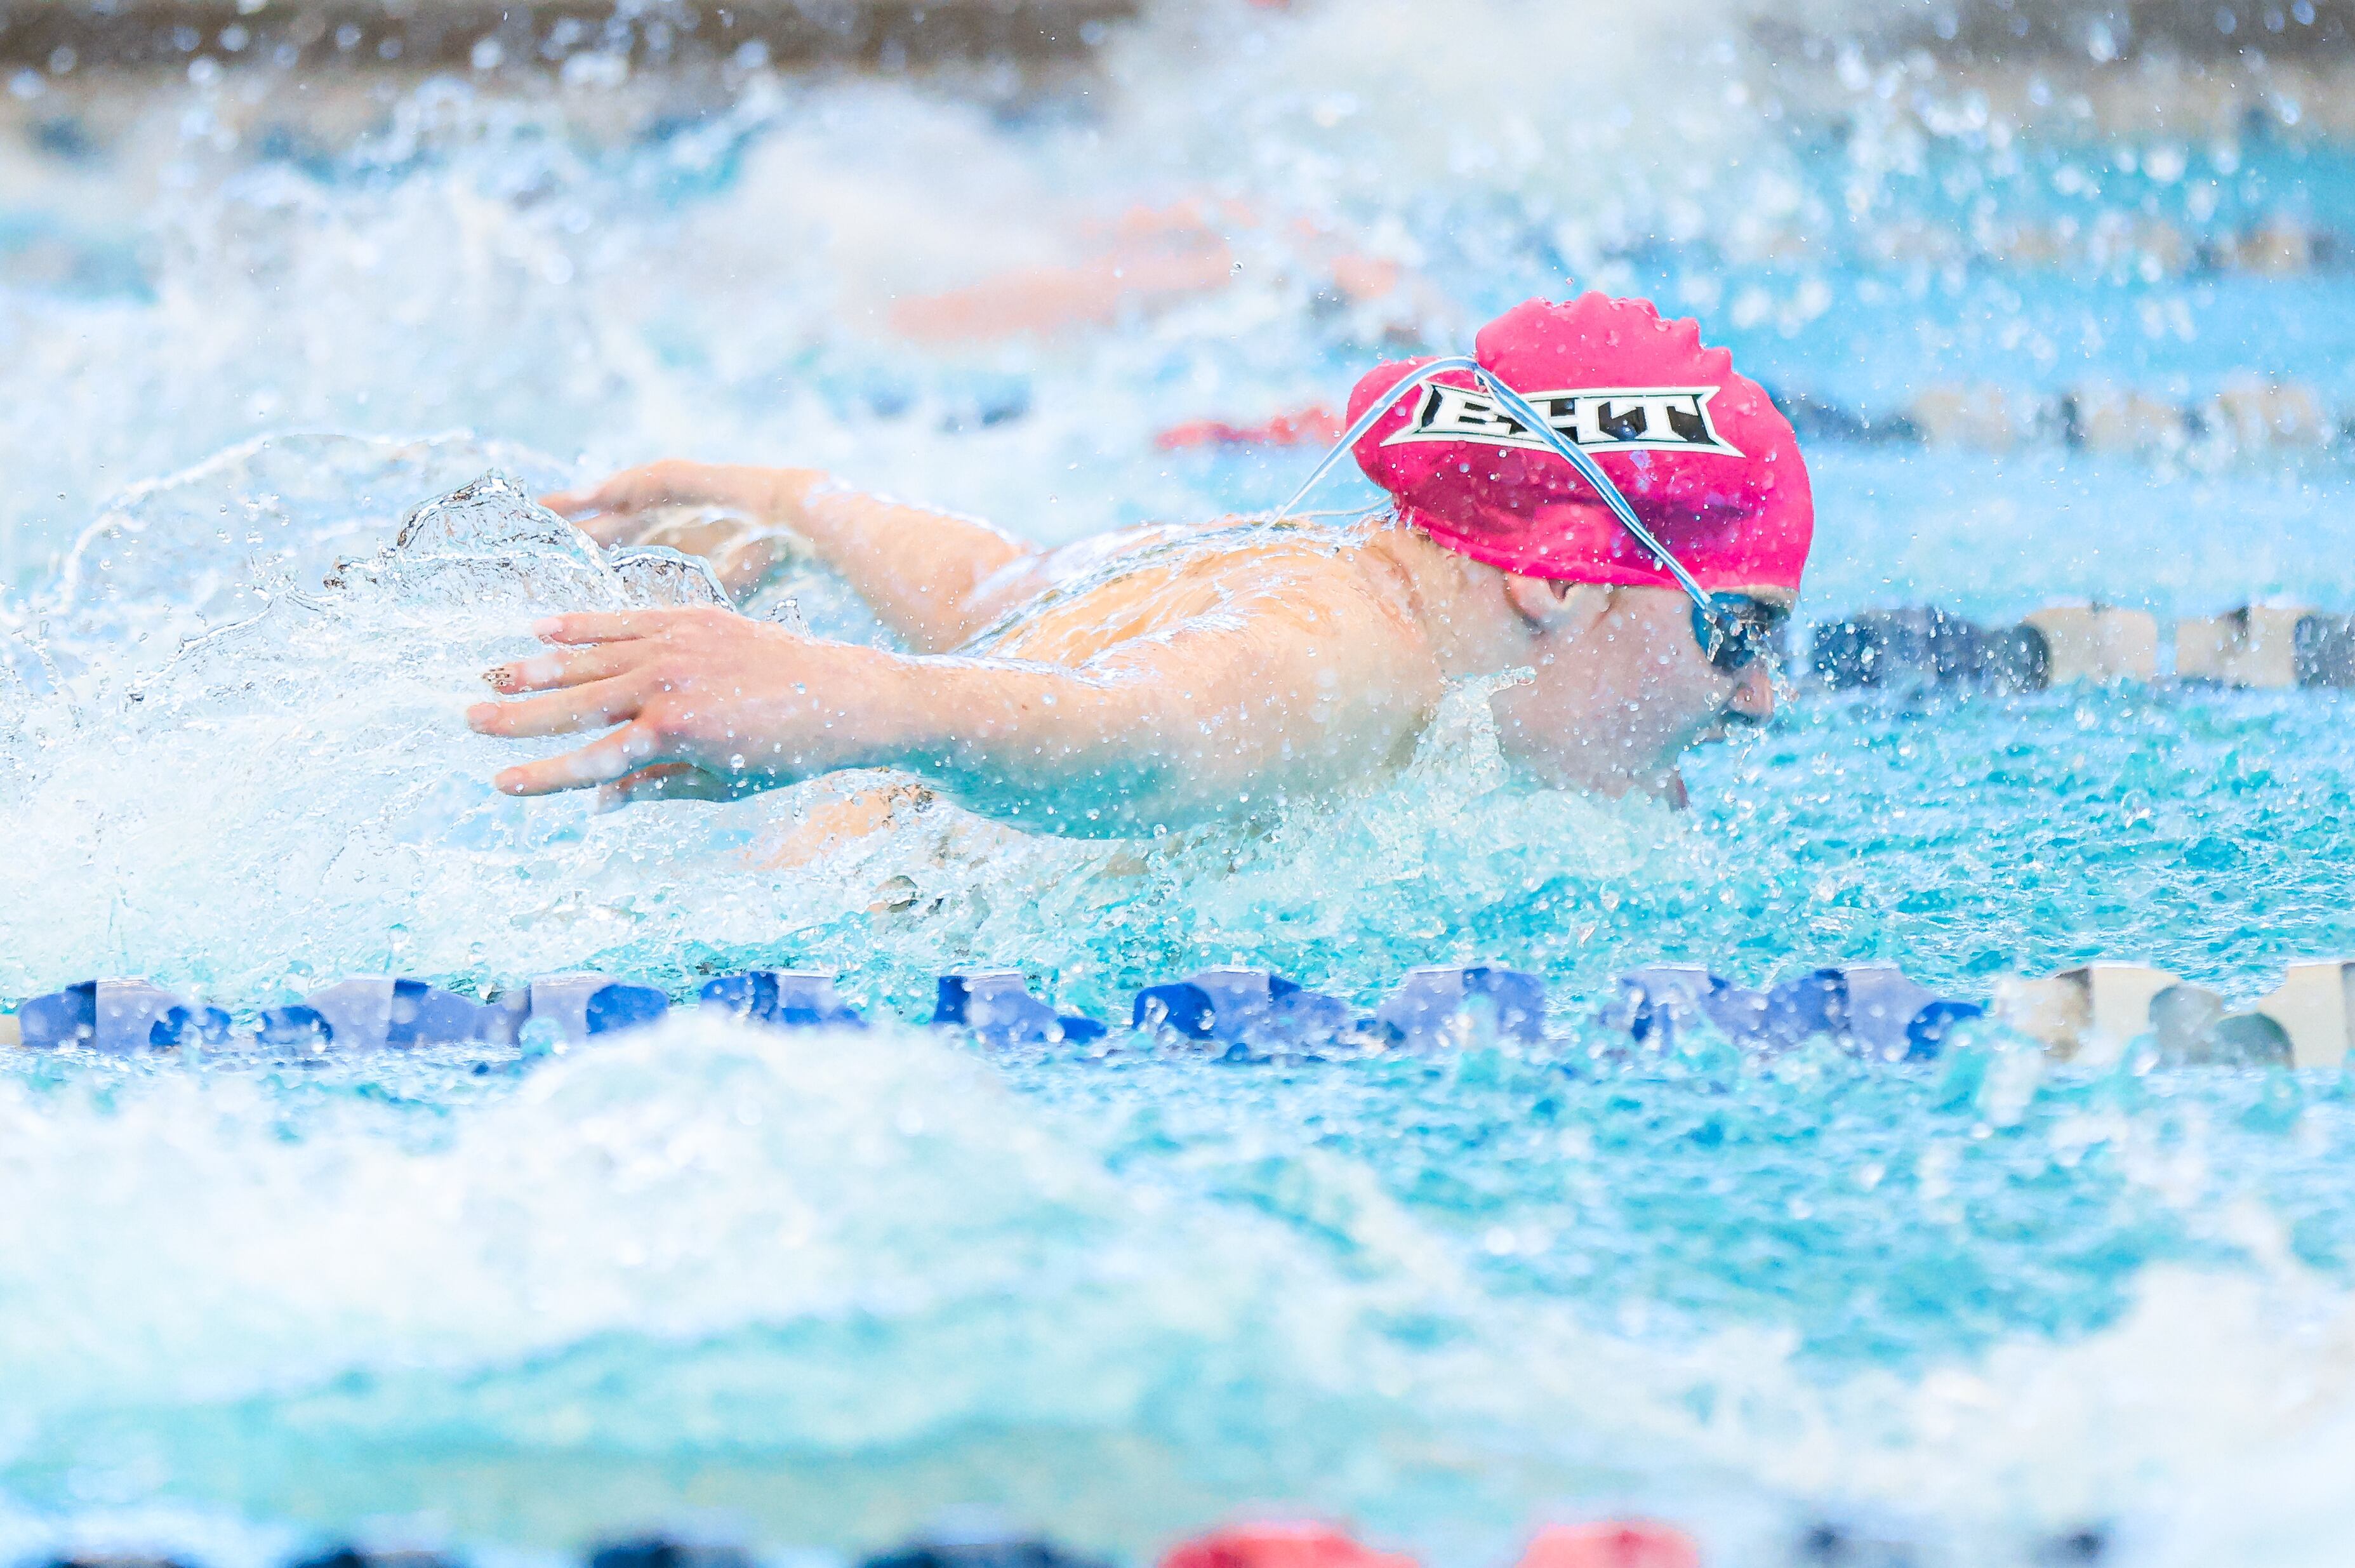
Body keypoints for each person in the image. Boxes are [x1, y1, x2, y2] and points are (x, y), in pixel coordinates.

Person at [468, 293, 1814, 837]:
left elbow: (1002, 594)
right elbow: (1136, 737)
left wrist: (780, 498)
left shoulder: (1292, 565)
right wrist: (852, 700)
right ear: (1557, 581)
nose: (1762, 698)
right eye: (1738, 633)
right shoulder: (1348, 668)